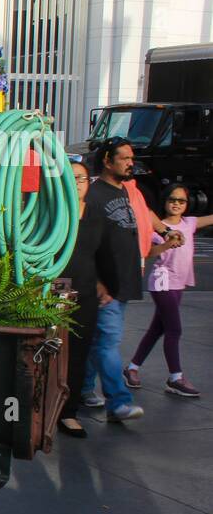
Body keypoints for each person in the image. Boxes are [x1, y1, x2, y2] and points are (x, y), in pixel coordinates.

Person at [80, 138, 182, 422]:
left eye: (131, 158)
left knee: (97, 341)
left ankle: (84, 390)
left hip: (124, 280)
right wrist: (98, 281)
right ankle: (119, 402)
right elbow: (86, 243)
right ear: (107, 161)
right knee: (108, 341)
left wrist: (164, 235)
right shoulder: (94, 195)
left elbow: (143, 220)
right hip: (105, 285)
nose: (130, 163)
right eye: (123, 158)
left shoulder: (127, 191)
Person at [125, 183, 213, 398]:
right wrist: (166, 243)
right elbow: (148, 251)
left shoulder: (189, 223)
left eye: (181, 201)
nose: (176, 203)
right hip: (162, 283)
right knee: (174, 329)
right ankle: (175, 377)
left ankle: (132, 368)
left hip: (179, 283)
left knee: (158, 329)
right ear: (164, 202)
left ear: (187, 204)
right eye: (172, 199)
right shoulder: (158, 227)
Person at [58, 158, 102, 438]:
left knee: (78, 354)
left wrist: (106, 284)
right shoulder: (52, 213)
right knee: (48, 353)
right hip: (53, 291)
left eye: (82, 178)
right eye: (72, 178)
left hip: (85, 294)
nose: (77, 184)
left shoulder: (98, 218)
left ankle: (69, 413)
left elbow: (108, 254)